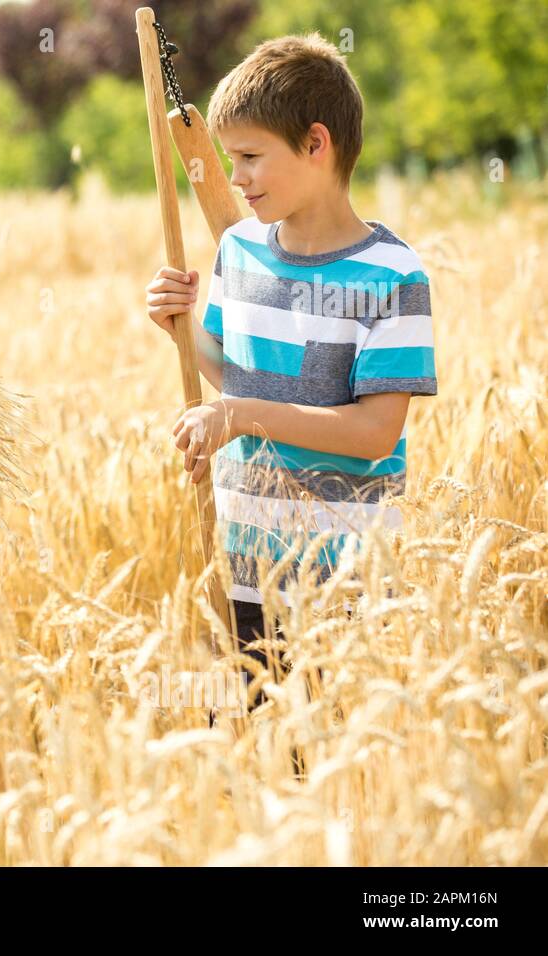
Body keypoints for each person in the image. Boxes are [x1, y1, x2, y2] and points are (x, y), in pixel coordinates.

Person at [143, 34, 438, 714]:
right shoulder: (241, 250)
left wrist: (240, 417)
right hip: (245, 553)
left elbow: (372, 432)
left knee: (332, 754)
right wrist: (181, 333)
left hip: (344, 573)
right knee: (249, 751)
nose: (235, 177)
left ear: (315, 144)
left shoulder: (391, 274)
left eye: (250, 157)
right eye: (230, 159)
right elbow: (235, 379)